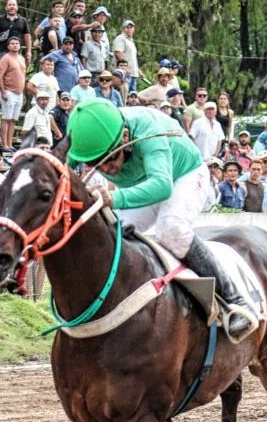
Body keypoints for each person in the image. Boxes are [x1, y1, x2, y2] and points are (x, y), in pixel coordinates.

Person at [63, 98, 257, 339]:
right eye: (95, 163)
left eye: (111, 159)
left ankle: (235, 301)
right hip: (144, 183)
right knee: (109, 233)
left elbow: (162, 187)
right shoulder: (85, 139)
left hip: (183, 176)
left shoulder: (148, 131)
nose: (107, 169)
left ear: (125, 137)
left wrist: (114, 199)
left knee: (171, 229)